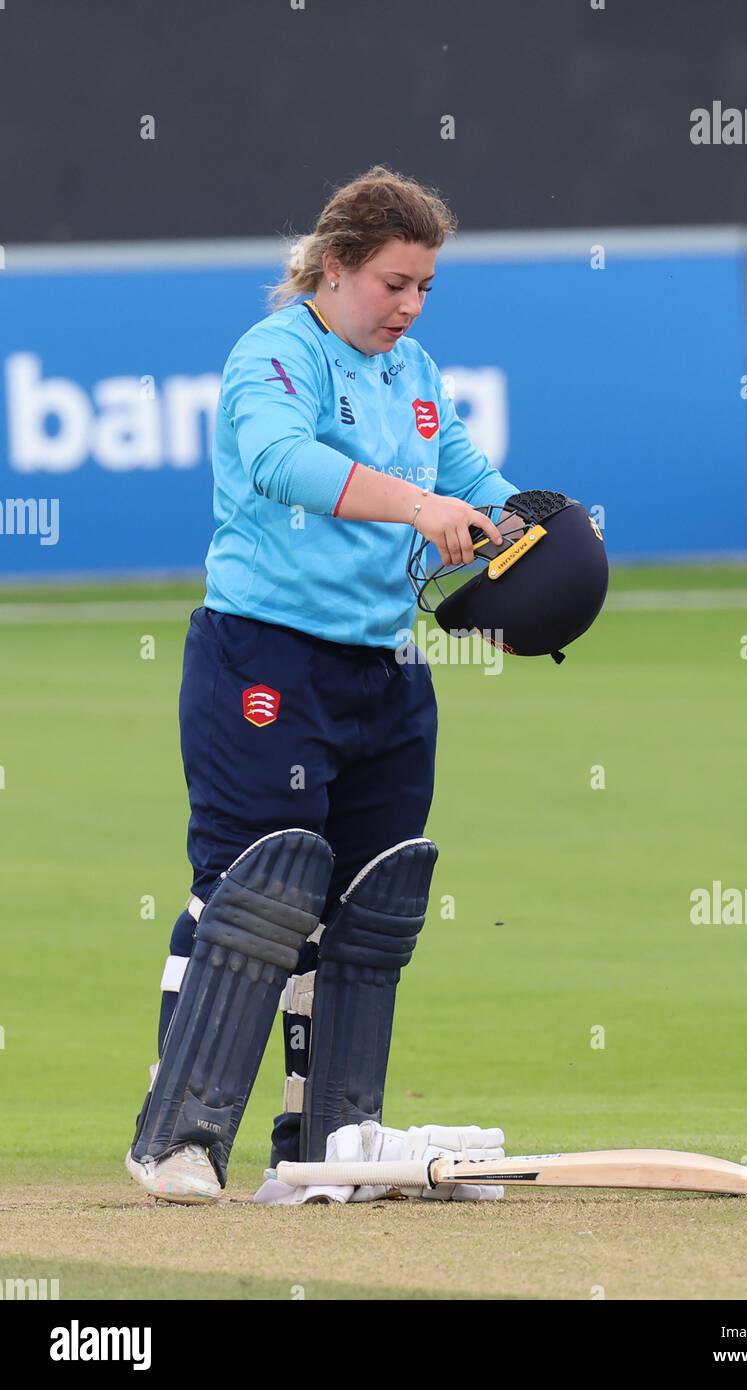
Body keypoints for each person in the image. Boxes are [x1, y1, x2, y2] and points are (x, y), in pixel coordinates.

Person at [125, 164, 519, 1204]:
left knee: (368, 903)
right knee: (256, 895)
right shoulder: (276, 355)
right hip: (266, 657)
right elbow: (279, 463)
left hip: (384, 666)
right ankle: (178, 1134)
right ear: (336, 268)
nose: (410, 305)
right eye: (394, 282)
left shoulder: (413, 370)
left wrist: (528, 526)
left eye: (425, 286)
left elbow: (472, 476)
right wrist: (417, 509)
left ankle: (324, 1141)